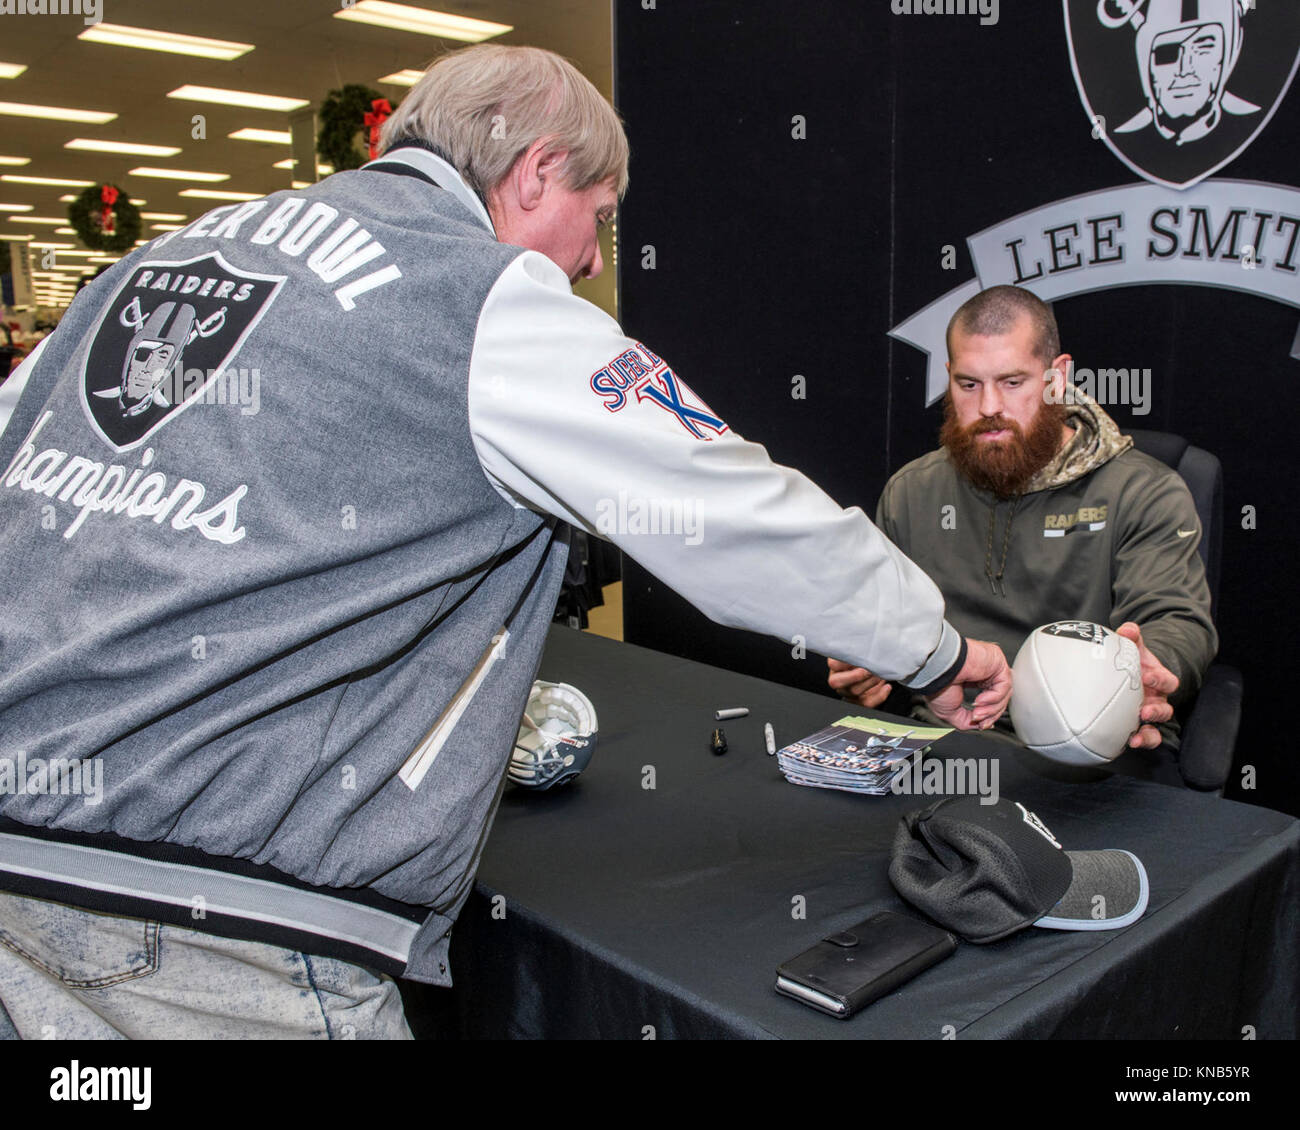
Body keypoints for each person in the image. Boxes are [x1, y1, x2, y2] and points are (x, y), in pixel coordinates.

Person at [0, 45, 1011, 1040]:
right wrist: (935, 652)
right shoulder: (475, 293)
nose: (592, 261)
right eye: (600, 217)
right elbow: (729, 505)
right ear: (534, 171)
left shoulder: (151, 263)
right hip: (209, 928)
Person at [828, 285, 1217, 779]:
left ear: (1057, 378)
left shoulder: (1144, 491)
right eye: (969, 385)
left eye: (1012, 382)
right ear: (948, 379)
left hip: (1095, 751)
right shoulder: (912, 491)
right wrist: (862, 665)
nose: (990, 406)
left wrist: (1150, 668)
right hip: (949, 750)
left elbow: (1175, 621)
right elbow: (879, 627)